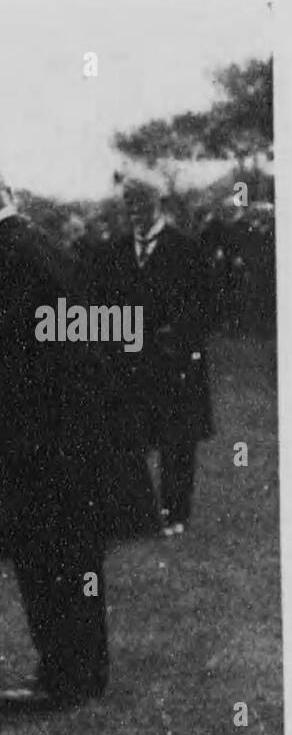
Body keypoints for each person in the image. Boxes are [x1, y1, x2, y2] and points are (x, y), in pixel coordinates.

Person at [0, 158, 119, 711]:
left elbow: (5, 367)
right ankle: (86, 672)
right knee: (78, 558)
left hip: (35, 442)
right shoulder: (45, 243)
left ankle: (59, 676)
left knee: (43, 561)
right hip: (77, 432)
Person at [99, 171, 214, 537]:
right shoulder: (114, 252)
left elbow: (207, 304)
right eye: (128, 201)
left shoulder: (186, 248)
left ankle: (176, 512)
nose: (134, 209)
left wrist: (178, 334)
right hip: (130, 364)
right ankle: (138, 514)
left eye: (141, 200)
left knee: (176, 442)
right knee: (129, 438)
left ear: (158, 202)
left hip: (173, 363)